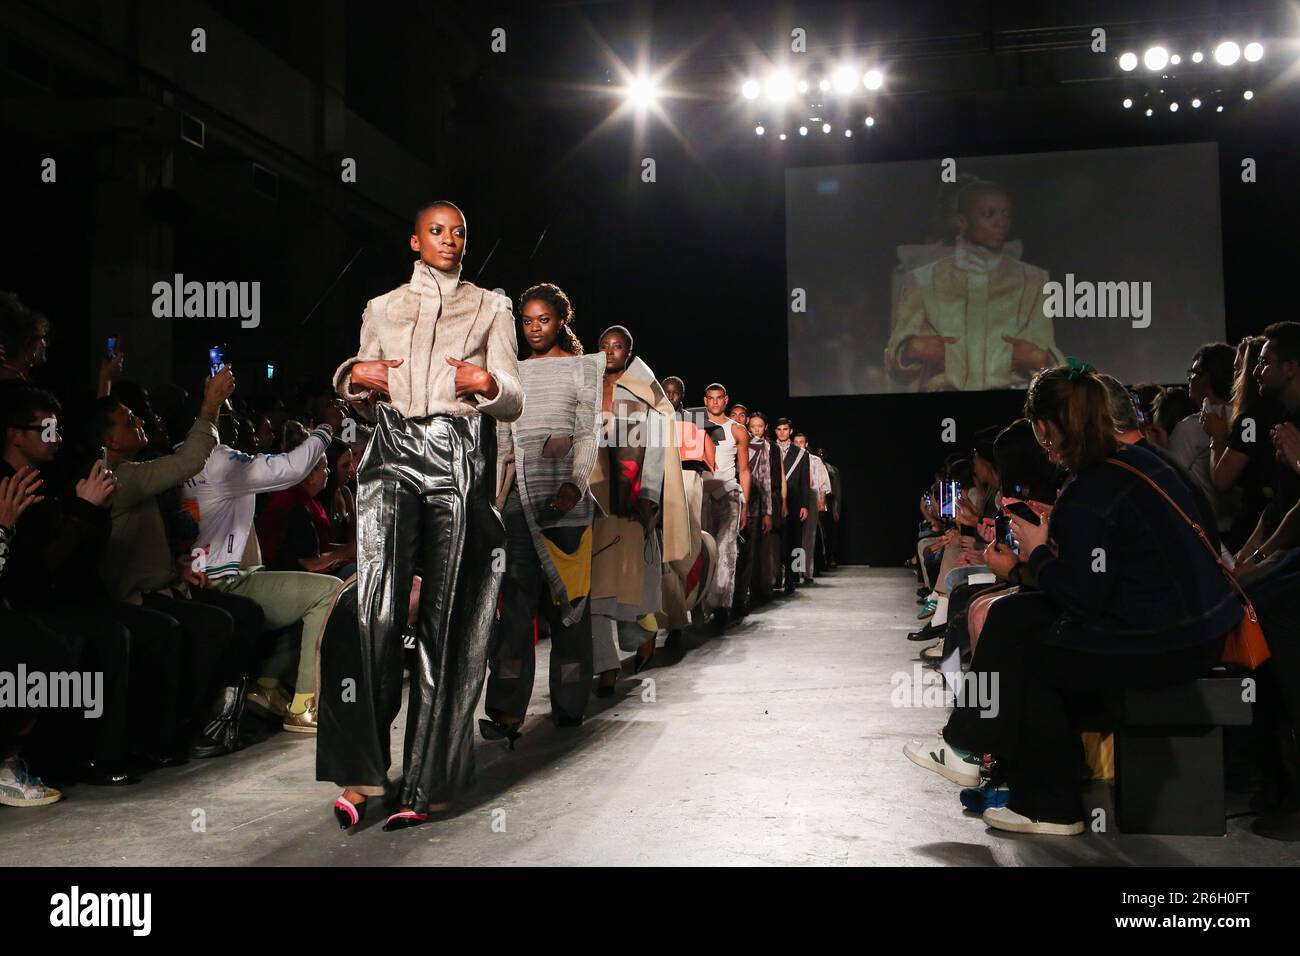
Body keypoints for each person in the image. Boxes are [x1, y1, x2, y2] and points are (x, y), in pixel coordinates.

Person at [905, 363, 1241, 835]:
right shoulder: (1146, 463)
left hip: (1169, 642)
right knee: (1014, 618)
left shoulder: (1092, 485)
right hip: (1194, 627)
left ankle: (1043, 802)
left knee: (1027, 653)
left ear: (1044, 428)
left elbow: (1082, 598)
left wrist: (1035, 555)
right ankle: (973, 753)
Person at [320, 200, 523, 832]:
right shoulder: (381, 308)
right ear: (415, 241)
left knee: (447, 612)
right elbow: (355, 383)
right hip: (389, 451)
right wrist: (353, 376)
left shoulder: (490, 305)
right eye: (437, 231)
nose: (450, 240)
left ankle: (422, 779)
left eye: (460, 232)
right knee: (373, 610)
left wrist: (487, 383)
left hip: (455, 454)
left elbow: (514, 398)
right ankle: (363, 769)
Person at [482, 282, 603, 743]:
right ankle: (507, 711)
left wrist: (575, 482)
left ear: (561, 321)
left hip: (565, 503)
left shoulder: (582, 369)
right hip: (515, 505)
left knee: (569, 609)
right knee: (513, 609)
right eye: (527, 321)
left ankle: (570, 705)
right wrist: (493, 499)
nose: (534, 328)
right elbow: (498, 445)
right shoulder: (508, 372)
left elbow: (587, 433)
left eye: (543, 320)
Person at [181, 399, 344, 734]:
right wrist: (327, 428)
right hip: (221, 580)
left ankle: (268, 685)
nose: (243, 426)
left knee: (301, 596)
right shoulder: (220, 460)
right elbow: (291, 468)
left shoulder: (177, 459)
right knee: (328, 593)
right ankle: (306, 705)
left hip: (202, 574)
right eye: (230, 416)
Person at [884, 180, 1064, 392]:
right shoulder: (922, 280)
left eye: (1005, 214)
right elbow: (895, 367)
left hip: (1011, 411)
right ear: (962, 220)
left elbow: (1050, 362)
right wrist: (910, 350)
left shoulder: (1033, 279)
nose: (1001, 222)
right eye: (989, 214)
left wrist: (1040, 358)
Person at [587, 326, 689, 694]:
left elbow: (657, 445)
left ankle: (641, 632)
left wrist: (648, 495)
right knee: (596, 588)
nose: (610, 352)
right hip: (594, 495)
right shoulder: (590, 385)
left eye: (617, 346)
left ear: (629, 351)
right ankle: (607, 666)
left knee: (627, 585)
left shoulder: (647, 392)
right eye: (604, 346)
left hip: (631, 502)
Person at [699, 383, 750, 630]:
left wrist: (746, 504)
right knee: (701, 550)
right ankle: (700, 604)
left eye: (719, 398)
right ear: (705, 401)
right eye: (711, 398)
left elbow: (744, 470)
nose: (715, 402)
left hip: (729, 494)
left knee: (726, 550)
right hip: (700, 493)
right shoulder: (695, 426)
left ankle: (721, 607)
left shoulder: (738, 430)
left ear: (726, 400)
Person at [774, 418, 810, 594]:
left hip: (795, 501)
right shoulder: (770, 449)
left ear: (790, 431)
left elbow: (805, 482)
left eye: (785, 429)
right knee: (777, 542)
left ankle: (793, 578)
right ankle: (776, 578)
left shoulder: (802, 454)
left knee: (795, 540)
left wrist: (805, 505)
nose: (782, 432)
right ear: (775, 431)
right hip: (775, 500)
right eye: (779, 429)